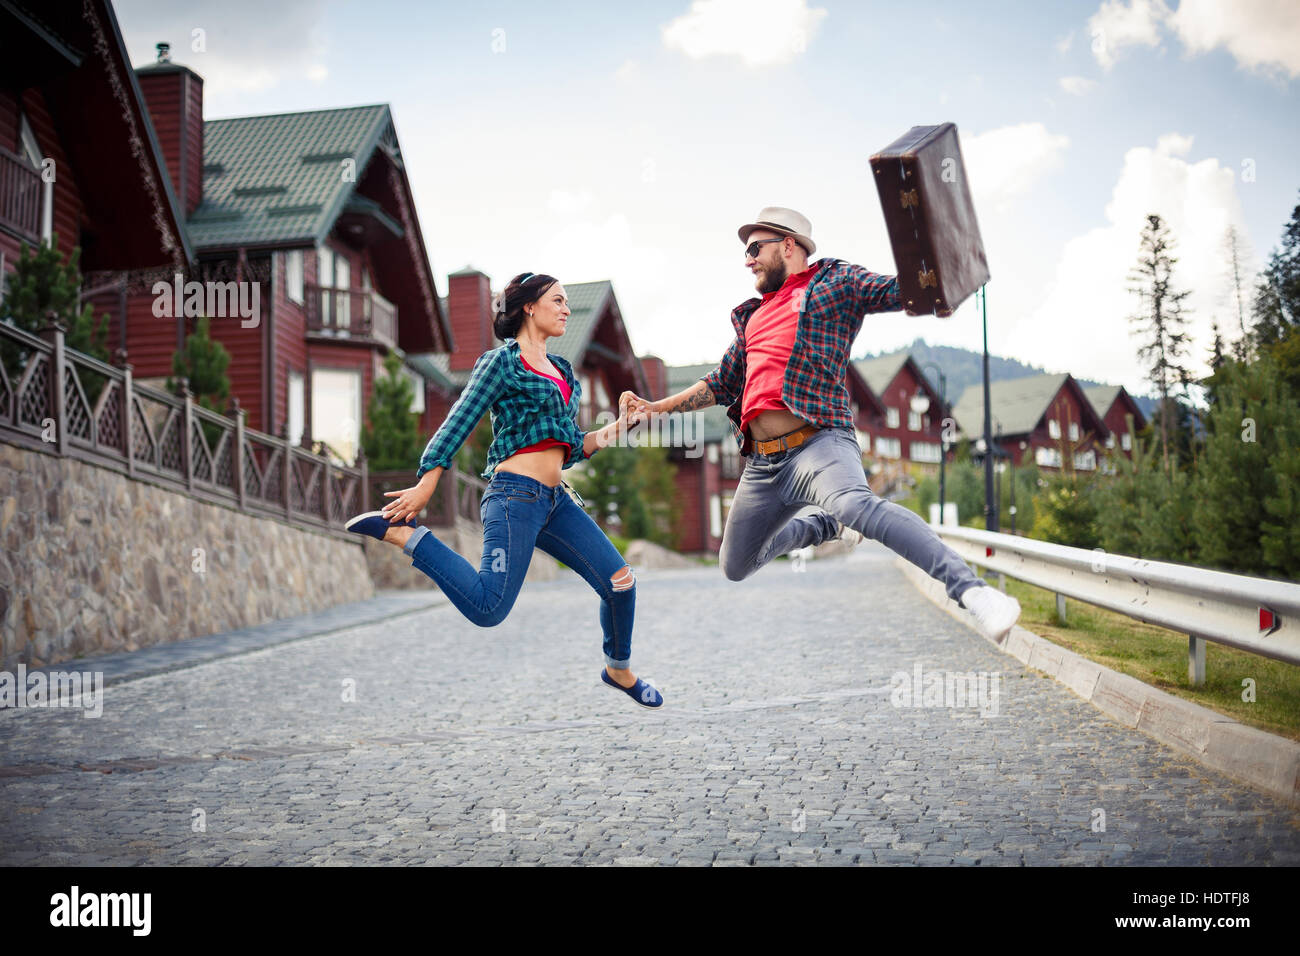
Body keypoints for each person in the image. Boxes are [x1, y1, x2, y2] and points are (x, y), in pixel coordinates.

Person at [618, 207, 1022, 641]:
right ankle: (825, 526)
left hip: (818, 445)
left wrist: (940, 284)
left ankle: (975, 592)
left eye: (755, 248)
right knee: (735, 564)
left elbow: (897, 290)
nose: (748, 260)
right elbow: (720, 383)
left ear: (788, 245)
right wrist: (655, 408)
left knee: (855, 505)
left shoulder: (835, 283)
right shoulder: (752, 317)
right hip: (761, 466)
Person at [346, 272, 662, 708]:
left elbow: (571, 448)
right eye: (558, 300)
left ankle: (618, 668)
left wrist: (621, 427)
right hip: (513, 498)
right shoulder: (502, 363)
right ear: (530, 306)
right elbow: (458, 420)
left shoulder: (564, 373)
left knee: (621, 583)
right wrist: (426, 483)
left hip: (556, 502)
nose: (566, 308)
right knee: (488, 607)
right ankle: (407, 536)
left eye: (568, 301)